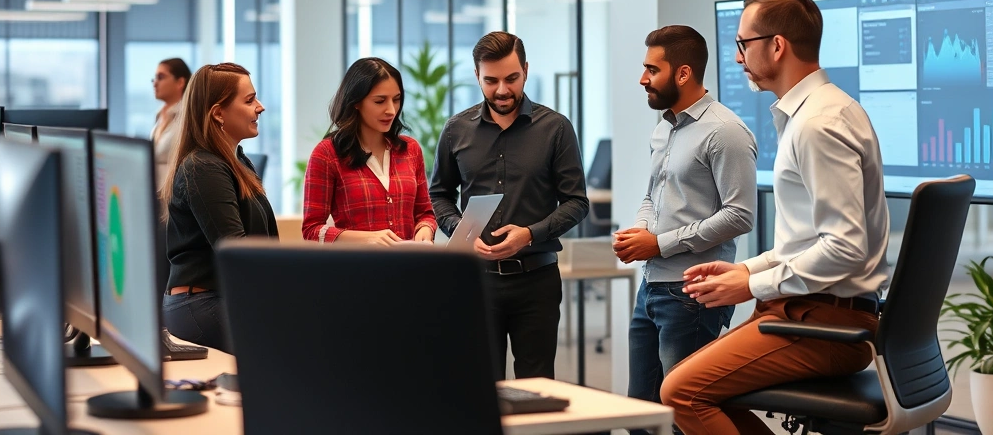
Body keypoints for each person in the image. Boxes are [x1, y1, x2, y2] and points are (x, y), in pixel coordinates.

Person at [660, 0, 890, 435]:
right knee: (690, 385)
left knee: (680, 393)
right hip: (812, 310)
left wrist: (752, 285)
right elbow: (803, 241)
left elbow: (844, 247)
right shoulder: (821, 111)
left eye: (744, 43)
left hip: (827, 321)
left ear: (777, 46)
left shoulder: (818, 124)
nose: (738, 56)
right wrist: (745, 271)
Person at [614, 26, 756, 431]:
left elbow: (739, 215)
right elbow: (651, 195)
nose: (643, 78)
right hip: (652, 286)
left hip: (692, 295)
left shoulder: (725, 132)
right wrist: (639, 234)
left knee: (686, 417)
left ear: (683, 73)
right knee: (639, 413)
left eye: (651, 69)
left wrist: (657, 243)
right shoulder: (665, 127)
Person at [430, 31, 589, 380]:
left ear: (526, 71)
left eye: (511, 78)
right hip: (475, 281)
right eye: (491, 80)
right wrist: (460, 230)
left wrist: (530, 234)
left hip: (537, 281)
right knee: (480, 387)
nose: (502, 90)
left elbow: (577, 202)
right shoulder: (456, 129)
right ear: (477, 76)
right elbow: (438, 194)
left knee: (536, 388)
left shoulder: (556, 129)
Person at [160, 63, 279, 353]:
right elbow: (237, 252)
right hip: (200, 304)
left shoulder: (237, 161)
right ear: (218, 113)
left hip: (220, 299)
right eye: (249, 100)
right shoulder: (203, 168)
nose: (260, 107)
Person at [302, 57, 436, 244]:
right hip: (356, 270)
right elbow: (311, 229)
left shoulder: (410, 150)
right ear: (356, 101)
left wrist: (424, 230)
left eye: (396, 100)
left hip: (408, 269)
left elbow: (425, 214)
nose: (391, 110)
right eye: (380, 101)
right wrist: (364, 238)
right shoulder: (327, 154)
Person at [152, 58, 192, 189]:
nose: (155, 83)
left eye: (161, 77)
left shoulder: (188, 118)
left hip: (173, 198)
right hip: (155, 197)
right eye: (154, 78)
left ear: (180, 82)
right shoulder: (159, 116)